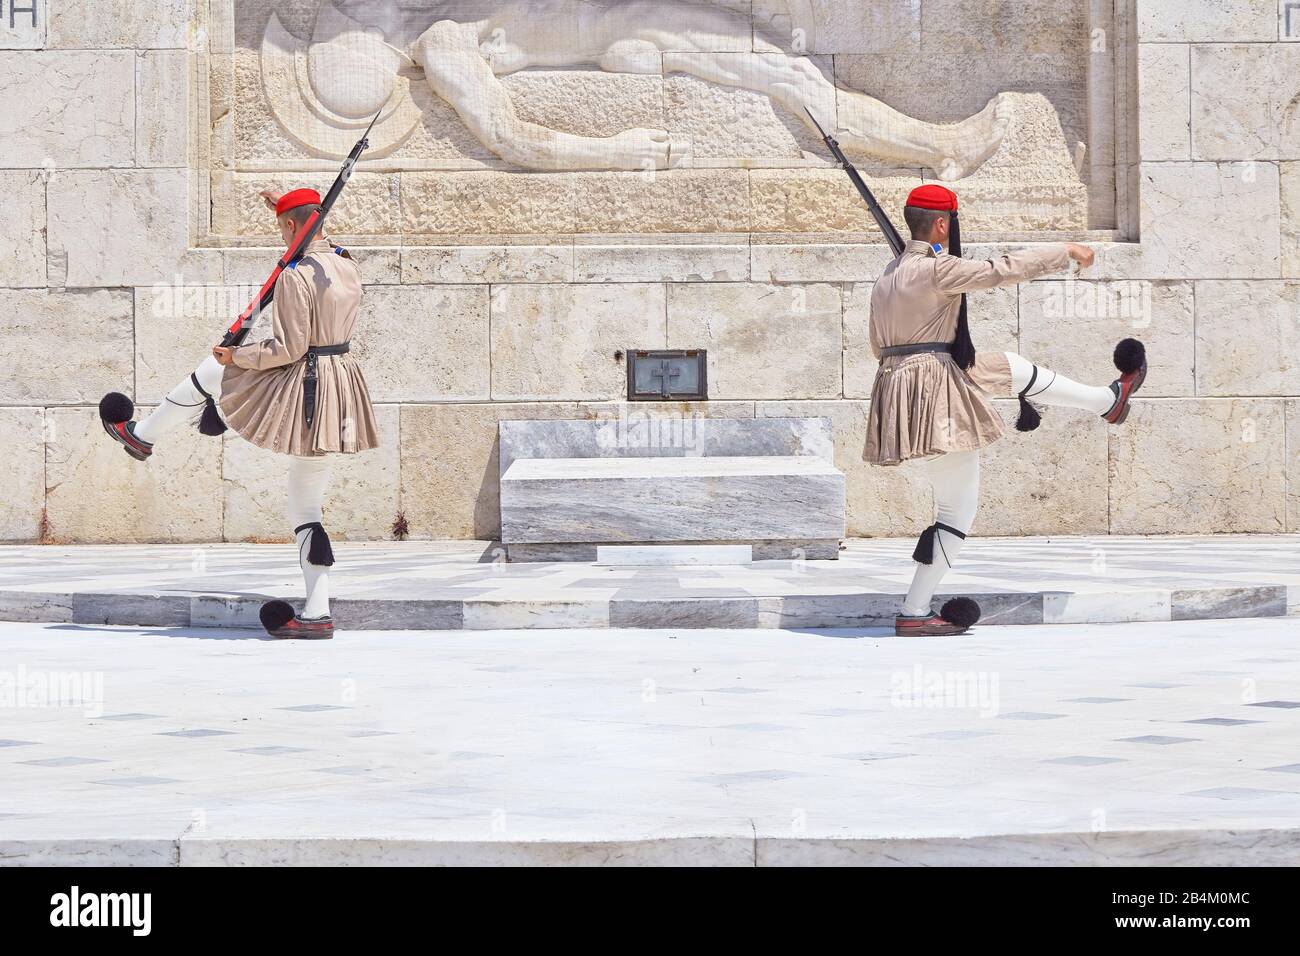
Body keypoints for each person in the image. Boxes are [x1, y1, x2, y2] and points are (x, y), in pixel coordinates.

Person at [866, 184, 1147, 637]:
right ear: (941, 225)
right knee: (955, 514)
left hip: (904, 390)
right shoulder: (938, 270)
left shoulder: (886, 277)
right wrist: (1065, 252)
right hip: (937, 396)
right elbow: (1002, 270)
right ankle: (915, 611)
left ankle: (1105, 402)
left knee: (1009, 368)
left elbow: (880, 347)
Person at [98, 188, 381, 640]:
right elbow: (321, 238)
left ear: (292, 228)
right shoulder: (346, 264)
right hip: (340, 386)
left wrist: (238, 358)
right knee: (306, 506)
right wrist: (290, 212)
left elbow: (287, 348)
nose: (279, 235)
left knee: (215, 368)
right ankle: (316, 613)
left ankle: (143, 435)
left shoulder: (293, 276)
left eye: (280, 228)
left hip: (305, 385)